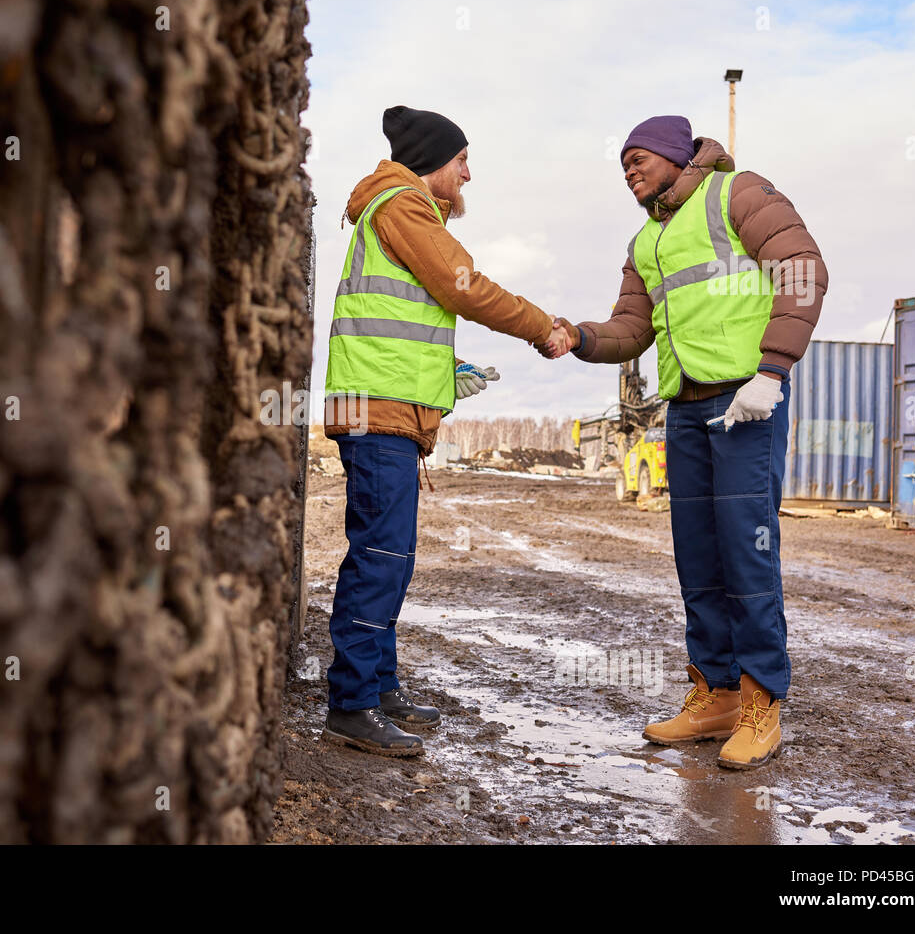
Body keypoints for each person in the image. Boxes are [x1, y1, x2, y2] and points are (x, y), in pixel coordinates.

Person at [543, 114, 827, 769]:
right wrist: (579, 336)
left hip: (746, 402)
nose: (630, 171)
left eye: (639, 158)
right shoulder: (646, 241)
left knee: (745, 554)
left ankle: (761, 701)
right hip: (688, 411)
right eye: (622, 165)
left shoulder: (739, 195)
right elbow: (629, 328)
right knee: (698, 556)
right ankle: (715, 692)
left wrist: (773, 370)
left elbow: (804, 271)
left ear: (677, 154)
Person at [322, 105, 558, 757]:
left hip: (391, 408)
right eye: (462, 162)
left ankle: (379, 685)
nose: (469, 174)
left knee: (392, 558)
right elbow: (464, 288)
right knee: (381, 555)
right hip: (380, 414)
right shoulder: (403, 206)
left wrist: (449, 372)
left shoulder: (399, 210)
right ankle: (353, 702)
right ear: (433, 163)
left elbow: (402, 322)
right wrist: (542, 325)